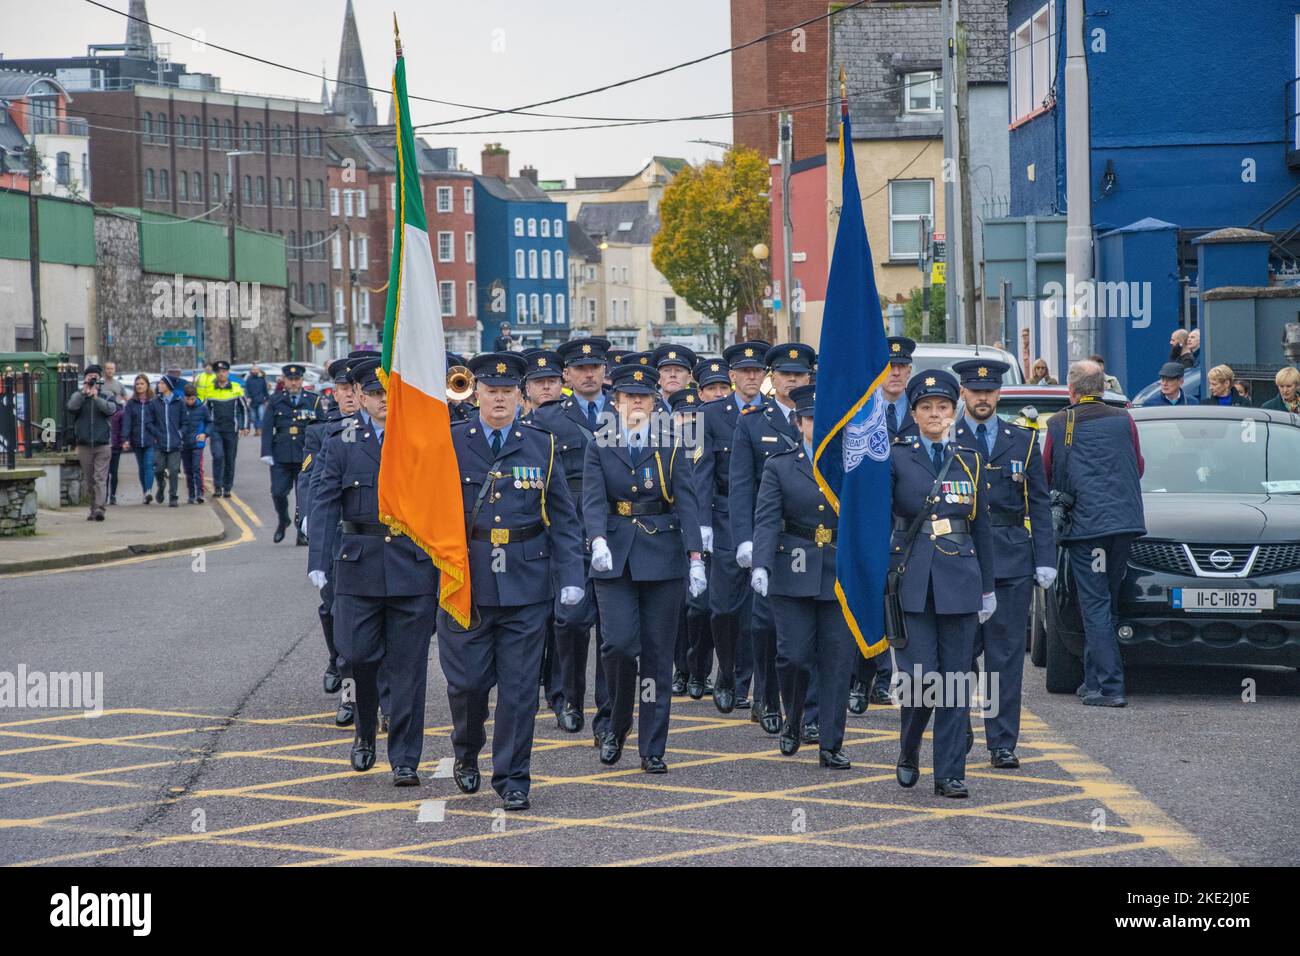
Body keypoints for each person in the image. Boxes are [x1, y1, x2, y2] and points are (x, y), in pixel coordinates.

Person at [439, 352, 584, 810]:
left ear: (519, 397)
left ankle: (514, 777)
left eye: (506, 391)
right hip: (468, 580)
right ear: (475, 393)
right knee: (467, 686)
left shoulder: (540, 443)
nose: (498, 398)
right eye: (490, 390)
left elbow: (562, 514)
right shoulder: (451, 441)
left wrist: (572, 576)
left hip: (527, 579)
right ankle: (466, 751)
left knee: (520, 690)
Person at [309, 358, 437, 787]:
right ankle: (365, 731)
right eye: (376, 394)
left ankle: (405, 757)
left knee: (408, 667)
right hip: (358, 566)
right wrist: (318, 563)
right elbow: (325, 501)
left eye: (390, 394)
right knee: (359, 656)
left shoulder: (420, 437)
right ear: (360, 397)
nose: (384, 401)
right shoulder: (341, 439)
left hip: (411, 564)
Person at [585, 361, 705, 774]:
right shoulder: (599, 442)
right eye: (629, 397)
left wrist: (695, 556)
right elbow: (593, 497)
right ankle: (616, 724)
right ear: (615, 402)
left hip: (662, 553)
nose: (637, 402)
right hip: (615, 555)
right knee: (617, 645)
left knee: (657, 656)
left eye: (644, 397)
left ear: (654, 402)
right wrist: (596, 537)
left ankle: (653, 746)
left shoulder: (671, 441)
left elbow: (687, 499)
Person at [890, 369, 996, 798]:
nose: (935, 414)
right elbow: (882, 521)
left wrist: (988, 588)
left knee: (955, 680)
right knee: (920, 680)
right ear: (914, 413)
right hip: (912, 580)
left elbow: (982, 527)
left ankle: (950, 773)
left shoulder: (969, 459)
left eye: (943, 407)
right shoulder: (896, 456)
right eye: (926, 407)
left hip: (960, 579)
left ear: (955, 411)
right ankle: (910, 744)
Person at [951, 360, 1055, 769]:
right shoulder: (948, 437)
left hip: (1011, 558)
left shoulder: (1023, 440)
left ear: (999, 394)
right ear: (963, 393)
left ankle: (1002, 741)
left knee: (1005, 656)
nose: (982, 398)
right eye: (975, 391)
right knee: (958, 655)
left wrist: (1045, 557)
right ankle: (958, 729)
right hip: (961, 560)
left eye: (990, 391)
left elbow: (1040, 504)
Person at [750, 383, 856, 768]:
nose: (817, 424)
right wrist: (760, 563)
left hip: (839, 568)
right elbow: (766, 518)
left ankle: (831, 742)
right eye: (810, 419)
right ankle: (793, 719)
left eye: (824, 419)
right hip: (792, 565)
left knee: (837, 659)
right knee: (793, 656)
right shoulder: (780, 465)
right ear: (798, 423)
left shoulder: (851, 462)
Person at [1042, 360, 1145, 708]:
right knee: (1106, 603)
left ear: (1071, 390)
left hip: (1087, 527)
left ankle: (1111, 686)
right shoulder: (1123, 419)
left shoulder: (1059, 423)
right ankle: (1092, 680)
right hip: (1124, 523)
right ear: (1102, 388)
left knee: (1094, 605)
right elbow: (1139, 465)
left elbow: (1047, 470)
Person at [730, 343, 818, 740]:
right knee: (765, 626)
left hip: (809, 539)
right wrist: (746, 541)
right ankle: (766, 697)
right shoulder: (751, 421)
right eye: (786, 375)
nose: (793, 381)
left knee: (808, 634)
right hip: (770, 537)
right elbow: (741, 487)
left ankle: (807, 713)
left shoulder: (821, 420)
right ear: (773, 378)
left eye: (800, 375)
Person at [533, 337, 614, 738]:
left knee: (612, 630)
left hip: (616, 530)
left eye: (594, 368)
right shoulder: (547, 419)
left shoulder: (628, 413)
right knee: (570, 621)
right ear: (566, 375)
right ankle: (567, 697)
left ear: (605, 371)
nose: (588, 374)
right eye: (580, 369)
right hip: (567, 530)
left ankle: (607, 711)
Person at [697, 342, 771, 717]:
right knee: (724, 608)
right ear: (732, 376)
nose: (752, 377)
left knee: (760, 612)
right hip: (725, 515)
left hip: (768, 517)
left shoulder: (774, 415)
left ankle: (750, 685)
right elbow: (700, 474)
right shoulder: (709, 415)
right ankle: (726, 670)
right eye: (744, 371)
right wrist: (703, 525)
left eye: (757, 371)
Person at [301, 353, 374, 723]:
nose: (348, 396)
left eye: (353, 389)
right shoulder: (324, 430)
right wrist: (307, 516)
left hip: (378, 542)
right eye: (343, 389)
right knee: (338, 617)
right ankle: (350, 696)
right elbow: (312, 481)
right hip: (340, 539)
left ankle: (387, 700)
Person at [848, 337, 914, 713]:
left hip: (911, 524)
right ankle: (862, 679)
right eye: (890, 366)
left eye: (902, 366)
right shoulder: (863, 410)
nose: (896, 372)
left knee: (903, 605)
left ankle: (889, 680)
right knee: (868, 597)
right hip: (873, 519)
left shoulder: (922, 408)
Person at [667, 387, 714, 698]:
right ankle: (681, 669)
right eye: (681, 415)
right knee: (677, 608)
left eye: (692, 415)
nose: (687, 421)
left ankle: (699, 670)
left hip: (703, 530)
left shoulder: (704, 444)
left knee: (700, 606)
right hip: (672, 531)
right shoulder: (665, 446)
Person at [261, 364, 325, 544]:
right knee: (278, 493)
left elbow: (322, 427)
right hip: (281, 454)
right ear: (285, 380)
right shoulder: (275, 400)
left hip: (306, 455)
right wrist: (266, 452)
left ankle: (301, 531)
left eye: (297, 379)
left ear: (302, 381)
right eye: (291, 379)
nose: (294, 383)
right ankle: (283, 520)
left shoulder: (313, 400)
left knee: (302, 495)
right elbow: (267, 428)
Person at [66, 365, 119, 521]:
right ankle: (93, 508)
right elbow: (71, 407)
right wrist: (83, 394)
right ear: (86, 378)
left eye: (96, 376)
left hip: (102, 444)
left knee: (100, 478)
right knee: (90, 481)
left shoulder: (107, 395)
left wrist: (96, 398)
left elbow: (110, 409)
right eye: (90, 376)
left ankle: (99, 509)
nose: (93, 379)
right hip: (84, 444)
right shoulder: (78, 395)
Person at [199, 361, 250, 499]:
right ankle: (217, 486)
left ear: (228, 373)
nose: (222, 374)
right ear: (216, 374)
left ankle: (227, 487)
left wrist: (245, 426)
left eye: (224, 371)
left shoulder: (236, 388)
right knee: (218, 456)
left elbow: (244, 409)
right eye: (219, 372)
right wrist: (204, 430)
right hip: (216, 430)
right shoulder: (210, 389)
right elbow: (204, 411)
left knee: (230, 459)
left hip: (231, 430)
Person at [149, 374, 186, 507]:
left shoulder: (179, 402)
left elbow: (185, 422)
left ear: (169, 386)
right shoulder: (154, 403)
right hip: (160, 443)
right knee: (158, 470)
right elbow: (149, 422)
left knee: (174, 470)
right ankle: (161, 485)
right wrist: (156, 434)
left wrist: (180, 434)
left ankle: (173, 496)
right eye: (159, 384)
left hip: (175, 443)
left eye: (162, 384)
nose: (159, 386)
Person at [119, 374, 156, 504]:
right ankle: (145, 491)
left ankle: (149, 491)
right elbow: (127, 422)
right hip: (136, 439)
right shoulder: (131, 403)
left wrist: (158, 435)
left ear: (147, 385)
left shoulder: (154, 402)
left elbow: (159, 421)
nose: (139, 386)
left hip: (151, 439)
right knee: (141, 467)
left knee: (149, 465)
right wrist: (125, 439)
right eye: (138, 384)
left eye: (142, 384)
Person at [180, 384, 209, 504]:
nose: (190, 401)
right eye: (188, 399)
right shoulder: (180, 407)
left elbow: (209, 423)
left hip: (197, 444)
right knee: (188, 470)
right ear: (184, 397)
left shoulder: (202, 408)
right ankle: (191, 494)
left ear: (195, 397)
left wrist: (205, 434)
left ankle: (200, 493)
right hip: (184, 443)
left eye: (192, 399)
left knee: (197, 468)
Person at [245, 363, 270, 435]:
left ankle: (259, 429)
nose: (255, 371)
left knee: (261, 416)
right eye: (253, 370)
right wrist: (248, 397)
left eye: (256, 369)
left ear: (259, 370)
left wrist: (267, 399)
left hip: (260, 401)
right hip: (252, 401)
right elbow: (246, 389)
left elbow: (265, 390)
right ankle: (256, 429)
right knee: (253, 417)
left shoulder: (262, 379)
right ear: (251, 371)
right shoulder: (249, 379)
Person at [108, 400, 124, 506]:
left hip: (115, 447)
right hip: (105, 446)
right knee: (106, 473)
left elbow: (123, 429)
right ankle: (105, 495)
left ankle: (112, 495)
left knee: (113, 472)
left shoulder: (120, 414)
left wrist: (123, 441)